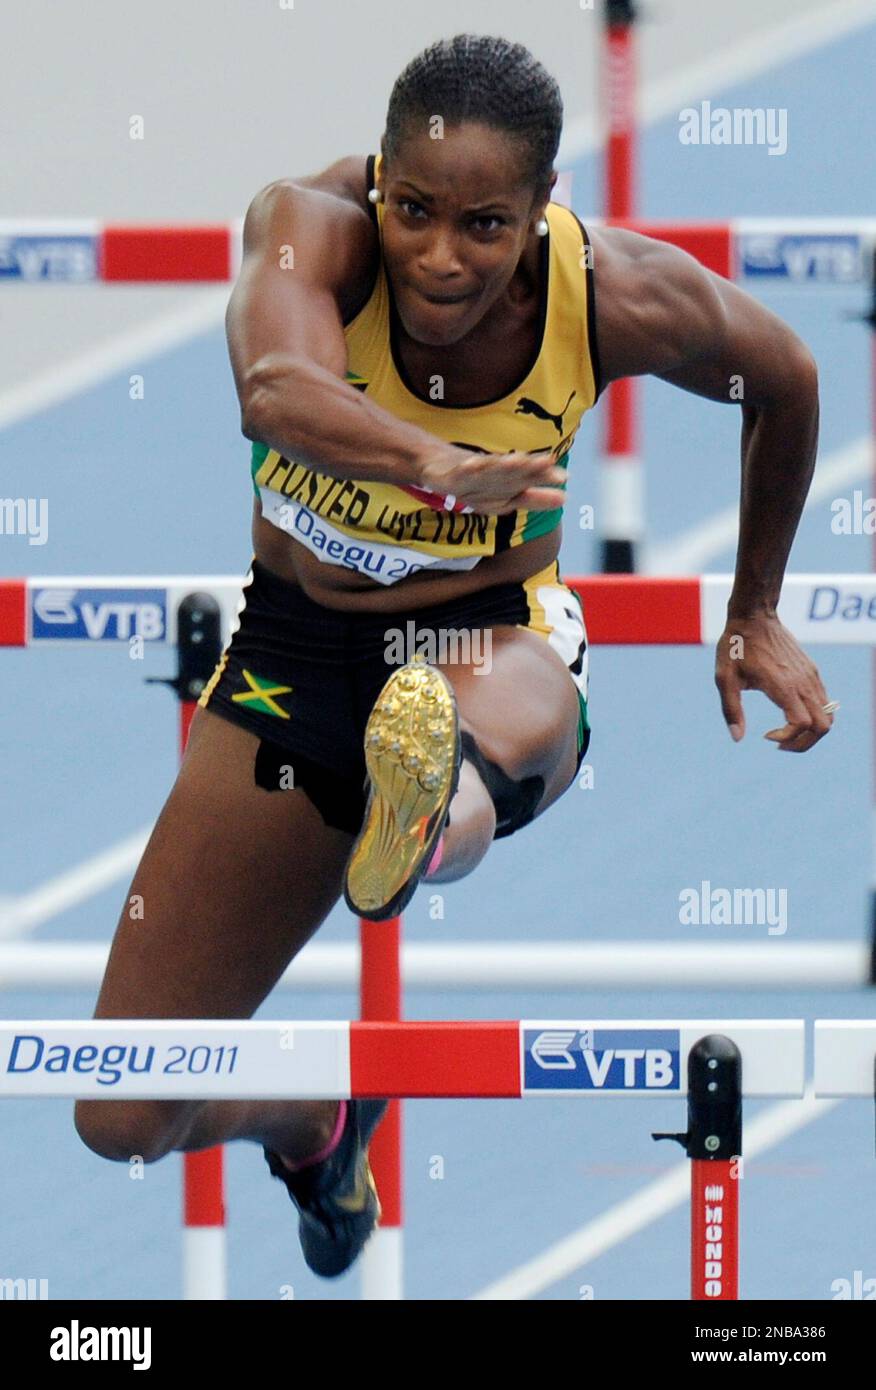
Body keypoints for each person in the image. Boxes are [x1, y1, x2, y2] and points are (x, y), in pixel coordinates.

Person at [74, 33, 835, 1281]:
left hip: (490, 638)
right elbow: (272, 386)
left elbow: (787, 378)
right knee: (121, 1114)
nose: (438, 255)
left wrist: (754, 608)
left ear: (541, 212)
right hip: (294, 657)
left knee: (458, 723)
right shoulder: (306, 227)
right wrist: (430, 464)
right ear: (377, 179)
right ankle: (313, 1114)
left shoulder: (616, 294)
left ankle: (427, 811)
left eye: (483, 225)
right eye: (414, 210)